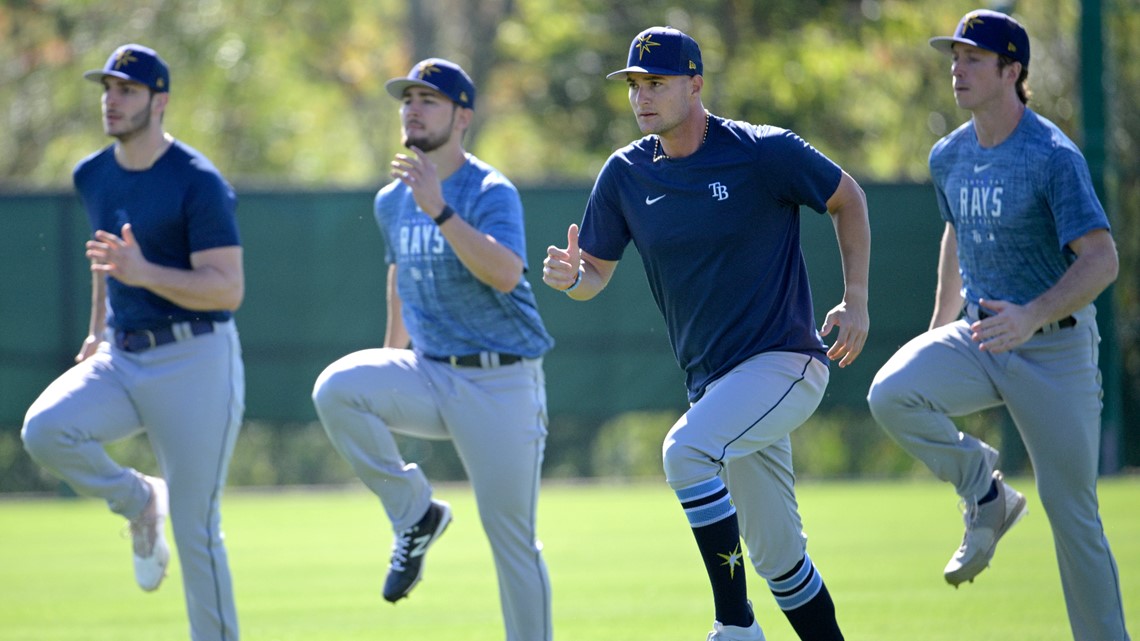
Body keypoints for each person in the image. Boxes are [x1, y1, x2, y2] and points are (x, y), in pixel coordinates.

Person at [543, 26, 870, 641]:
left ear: (696, 83)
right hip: (717, 388)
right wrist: (571, 278)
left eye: (656, 83)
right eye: (635, 85)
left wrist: (856, 302)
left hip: (786, 363)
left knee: (685, 453)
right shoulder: (625, 174)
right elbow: (595, 277)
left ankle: (734, 623)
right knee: (781, 559)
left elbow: (847, 197)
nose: (642, 96)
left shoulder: (761, 151)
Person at [867, 10, 1131, 641]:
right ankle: (984, 491)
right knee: (891, 392)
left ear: (1013, 71)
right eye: (954, 58)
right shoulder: (948, 154)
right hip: (981, 337)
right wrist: (936, 328)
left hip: (1054, 348)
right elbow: (955, 234)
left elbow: (1102, 259)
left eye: (973, 59)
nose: (956, 70)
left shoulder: (1051, 156)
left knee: (1074, 520)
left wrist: (1033, 314)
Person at [311, 58, 555, 641]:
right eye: (408, 99)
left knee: (512, 541)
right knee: (338, 389)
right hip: (428, 373)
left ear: (462, 116)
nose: (413, 109)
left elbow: (503, 272)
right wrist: (390, 362)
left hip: (501, 382)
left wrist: (440, 209)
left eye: (429, 100)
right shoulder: (391, 199)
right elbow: (401, 283)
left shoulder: (488, 188)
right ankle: (416, 513)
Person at [21, 44, 245, 641]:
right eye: (107, 89)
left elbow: (228, 290)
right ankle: (140, 500)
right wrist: (97, 331)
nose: (112, 100)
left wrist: (146, 273)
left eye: (127, 90)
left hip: (197, 359)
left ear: (160, 101)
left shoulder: (198, 181)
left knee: (198, 533)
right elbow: (107, 260)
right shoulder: (92, 173)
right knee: (45, 429)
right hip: (122, 353)